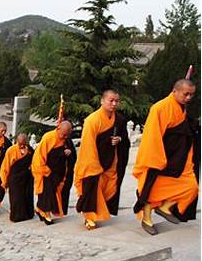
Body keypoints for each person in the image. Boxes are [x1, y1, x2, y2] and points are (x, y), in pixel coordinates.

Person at [133, 79, 199, 235]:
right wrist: (156, 161)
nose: (189, 98)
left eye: (192, 95)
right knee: (151, 190)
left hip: (177, 158)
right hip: (158, 157)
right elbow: (152, 136)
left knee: (191, 187)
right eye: (186, 94)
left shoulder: (180, 107)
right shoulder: (160, 108)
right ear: (174, 91)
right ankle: (146, 219)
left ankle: (164, 207)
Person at [74, 90, 130, 230]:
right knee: (93, 189)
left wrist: (120, 139)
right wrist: (93, 166)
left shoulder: (120, 120)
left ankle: (97, 211)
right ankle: (90, 217)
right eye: (111, 100)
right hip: (94, 161)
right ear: (102, 101)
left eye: (116, 101)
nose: (114, 104)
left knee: (110, 188)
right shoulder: (93, 120)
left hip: (111, 161)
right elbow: (88, 144)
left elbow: (125, 139)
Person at [32, 121, 77, 225]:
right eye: (63, 134)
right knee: (47, 193)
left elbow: (72, 154)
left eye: (67, 134)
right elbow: (39, 156)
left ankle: (40, 209)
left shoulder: (67, 140)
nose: (65, 136)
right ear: (58, 128)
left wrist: (69, 153)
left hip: (58, 173)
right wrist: (45, 170)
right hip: (46, 170)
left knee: (55, 193)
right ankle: (45, 212)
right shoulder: (49, 137)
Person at [0, 133, 34, 222]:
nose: (22, 146)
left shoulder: (30, 150)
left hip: (27, 178)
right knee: (16, 198)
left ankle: (28, 215)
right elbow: (5, 167)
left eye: (24, 144)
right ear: (16, 142)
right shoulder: (11, 150)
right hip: (15, 178)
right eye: (20, 144)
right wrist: (4, 181)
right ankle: (16, 216)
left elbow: (34, 161)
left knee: (27, 196)